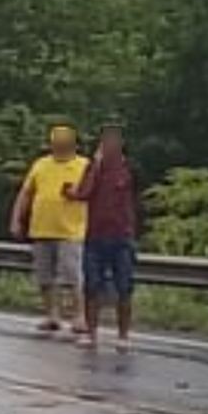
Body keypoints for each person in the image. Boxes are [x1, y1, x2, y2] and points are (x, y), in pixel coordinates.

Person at [9, 123, 89, 336]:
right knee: (44, 276)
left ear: (73, 145)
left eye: (64, 144)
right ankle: (51, 315)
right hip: (41, 227)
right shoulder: (40, 165)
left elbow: (95, 194)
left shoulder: (84, 165)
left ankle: (79, 316)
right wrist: (17, 219)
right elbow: (25, 194)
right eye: (56, 144)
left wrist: (77, 194)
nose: (60, 147)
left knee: (73, 275)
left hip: (71, 229)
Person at [67, 121, 140, 352]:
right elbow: (83, 193)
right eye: (105, 141)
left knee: (124, 286)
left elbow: (134, 193)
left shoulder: (128, 168)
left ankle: (124, 334)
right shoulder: (93, 168)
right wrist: (96, 166)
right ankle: (91, 332)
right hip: (96, 235)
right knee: (92, 285)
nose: (109, 146)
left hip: (121, 236)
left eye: (114, 141)